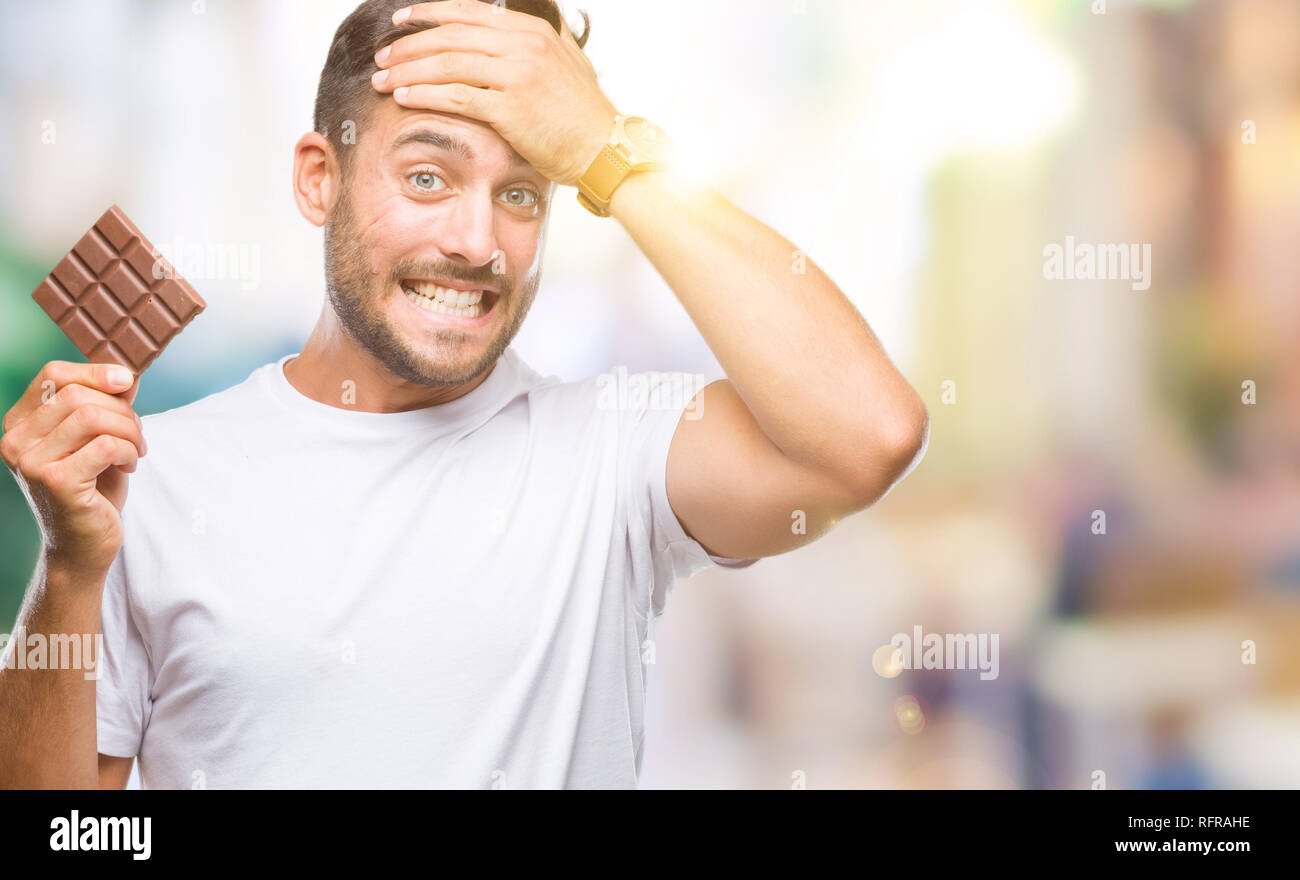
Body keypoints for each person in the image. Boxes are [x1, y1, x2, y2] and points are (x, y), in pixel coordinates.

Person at [0, 0, 928, 789]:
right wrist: (71, 569)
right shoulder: (154, 480)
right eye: (428, 177)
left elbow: (870, 434)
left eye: (523, 194)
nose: (477, 240)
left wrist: (608, 150)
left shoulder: (612, 457)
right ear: (318, 179)